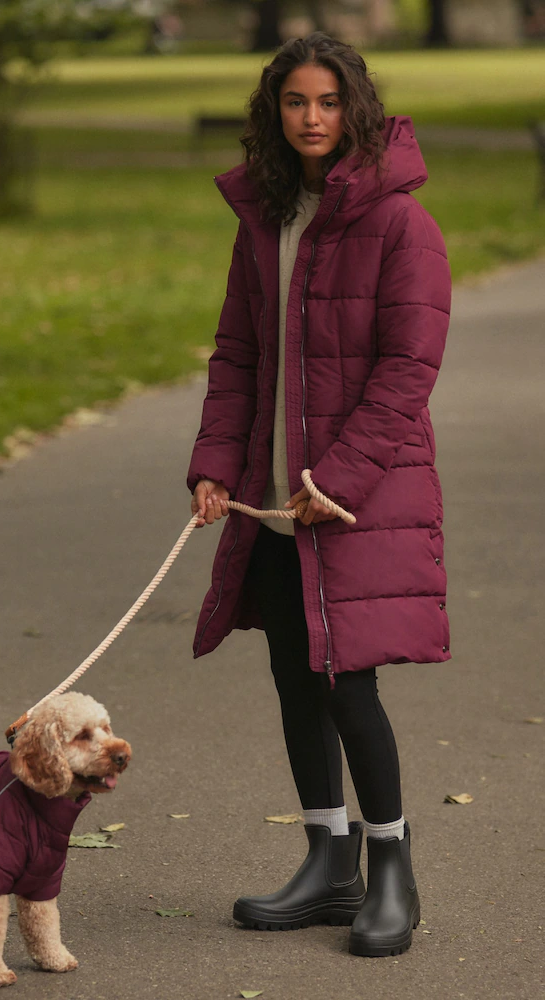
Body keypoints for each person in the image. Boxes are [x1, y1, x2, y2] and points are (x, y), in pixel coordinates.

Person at [187, 33, 451, 957]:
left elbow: (407, 368)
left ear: (358, 109)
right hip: (270, 498)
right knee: (293, 676)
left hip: (354, 494)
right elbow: (238, 354)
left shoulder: (399, 224)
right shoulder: (265, 216)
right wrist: (219, 463)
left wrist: (334, 482)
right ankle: (326, 858)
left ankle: (391, 870)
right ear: (274, 110)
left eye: (330, 102)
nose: (312, 118)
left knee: (347, 683)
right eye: (296, 101)